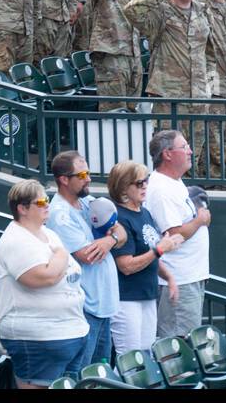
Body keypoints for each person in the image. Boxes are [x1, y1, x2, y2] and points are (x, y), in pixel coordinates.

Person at [0, 177, 89, 388]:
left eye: (48, 200)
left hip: (71, 331)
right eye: (41, 202)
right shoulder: (16, 240)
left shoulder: (49, 233)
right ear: (22, 209)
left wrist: (58, 258)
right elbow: (45, 277)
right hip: (36, 337)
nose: (48, 206)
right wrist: (62, 254)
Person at [46, 150, 125, 371]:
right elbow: (88, 256)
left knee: (101, 372)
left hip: (104, 304)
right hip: (84, 307)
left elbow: (121, 231)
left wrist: (110, 240)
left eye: (88, 173)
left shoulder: (88, 201)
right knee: (81, 373)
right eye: (82, 175)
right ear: (64, 179)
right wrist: (113, 238)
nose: (88, 178)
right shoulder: (59, 214)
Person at [107, 160, 182, 357]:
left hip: (147, 295)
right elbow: (126, 266)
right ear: (123, 187)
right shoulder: (120, 217)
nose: (145, 186)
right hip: (127, 298)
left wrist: (170, 278)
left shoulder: (144, 212)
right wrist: (159, 250)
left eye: (146, 181)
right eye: (139, 183)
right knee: (130, 359)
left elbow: (151, 256)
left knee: (146, 355)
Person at [145, 128, 211, 338]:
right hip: (179, 279)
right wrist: (199, 220)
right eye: (184, 147)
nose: (190, 151)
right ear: (168, 154)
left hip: (190, 275)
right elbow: (174, 235)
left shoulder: (174, 182)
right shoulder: (161, 188)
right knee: (178, 346)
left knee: (189, 342)